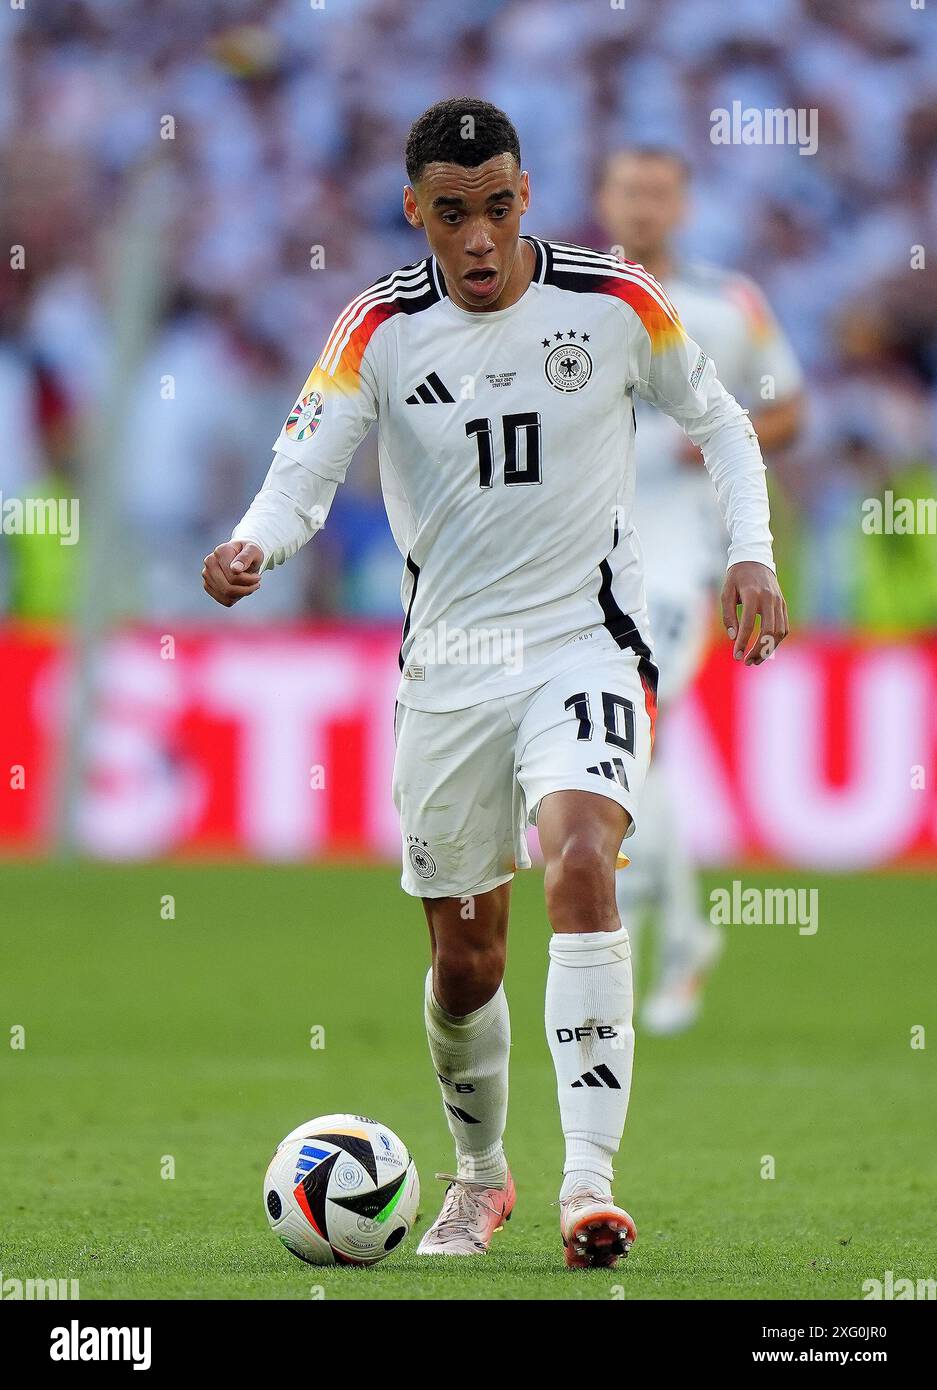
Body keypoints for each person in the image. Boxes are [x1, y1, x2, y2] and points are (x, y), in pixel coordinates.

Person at [203, 100, 788, 1269]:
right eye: (453, 213)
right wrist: (252, 545)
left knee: (582, 859)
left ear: (528, 196)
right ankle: (480, 1175)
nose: (479, 239)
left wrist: (751, 553)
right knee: (465, 961)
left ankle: (589, 1184)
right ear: (415, 210)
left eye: (500, 207)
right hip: (449, 673)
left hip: (587, 640)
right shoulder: (374, 328)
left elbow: (724, 425)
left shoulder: (615, 301)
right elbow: (302, 473)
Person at [595, 148, 804, 1035]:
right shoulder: (569, 296)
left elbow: (788, 407)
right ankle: (679, 933)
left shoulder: (728, 302)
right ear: (604, 200)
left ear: (680, 202)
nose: (643, 204)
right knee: (631, 742)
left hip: (682, 555)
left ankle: (650, 930)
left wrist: (719, 437)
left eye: (658, 190)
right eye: (629, 189)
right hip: (585, 560)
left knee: (638, 720)